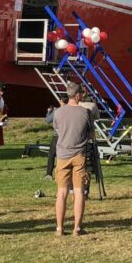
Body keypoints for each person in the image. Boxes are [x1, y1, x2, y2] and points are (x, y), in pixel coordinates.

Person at [53, 82, 94, 236]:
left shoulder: (58, 112)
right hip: (79, 155)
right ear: (78, 95)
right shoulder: (86, 112)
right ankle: (77, 228)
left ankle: (59, 228)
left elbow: (57, 130)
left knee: (61, 192)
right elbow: (91, 134)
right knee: (79, 192)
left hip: (63, 155)